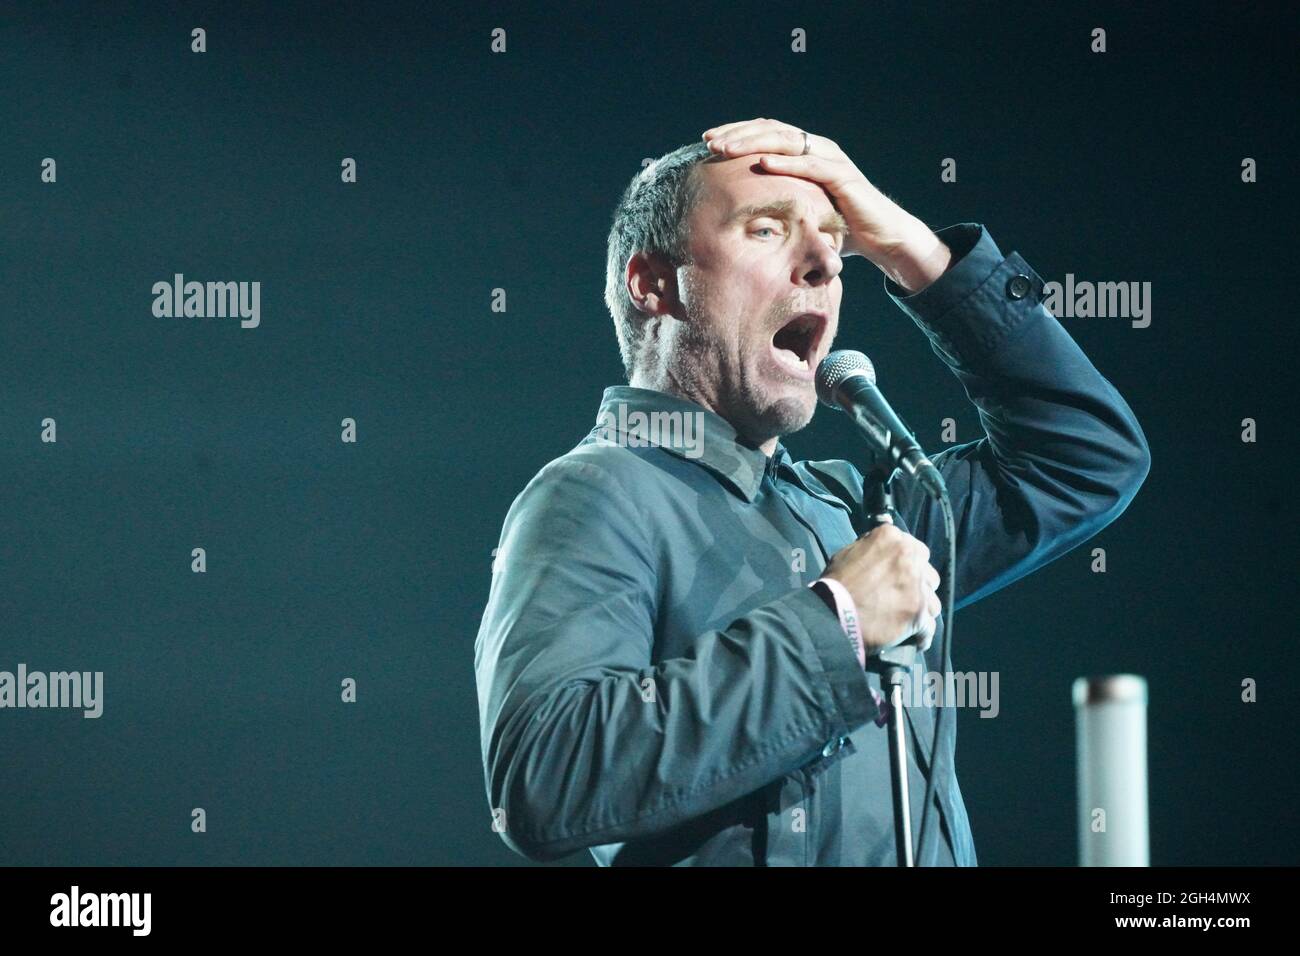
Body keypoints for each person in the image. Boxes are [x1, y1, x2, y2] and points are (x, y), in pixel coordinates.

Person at [474, 118, 1150, 866]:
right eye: (765, 229)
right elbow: (543, 779)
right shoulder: (593, 495)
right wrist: (838, 622)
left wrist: (915, 253)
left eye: (835, 243)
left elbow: (1085, 459)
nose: (825, 263)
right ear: (654, 284)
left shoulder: (861, 514)